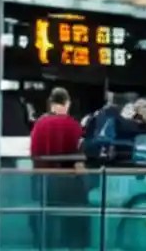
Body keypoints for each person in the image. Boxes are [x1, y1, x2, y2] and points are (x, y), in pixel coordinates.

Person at [29, 88, 87, 249]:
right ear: (67, 103)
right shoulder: (74, 125)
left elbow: (34, 154)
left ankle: (45, 246)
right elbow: (78, 160)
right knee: (72, 220)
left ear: (51, 103)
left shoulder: (39, 125)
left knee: (46, 219)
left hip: (44, 181)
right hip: (68, 183)